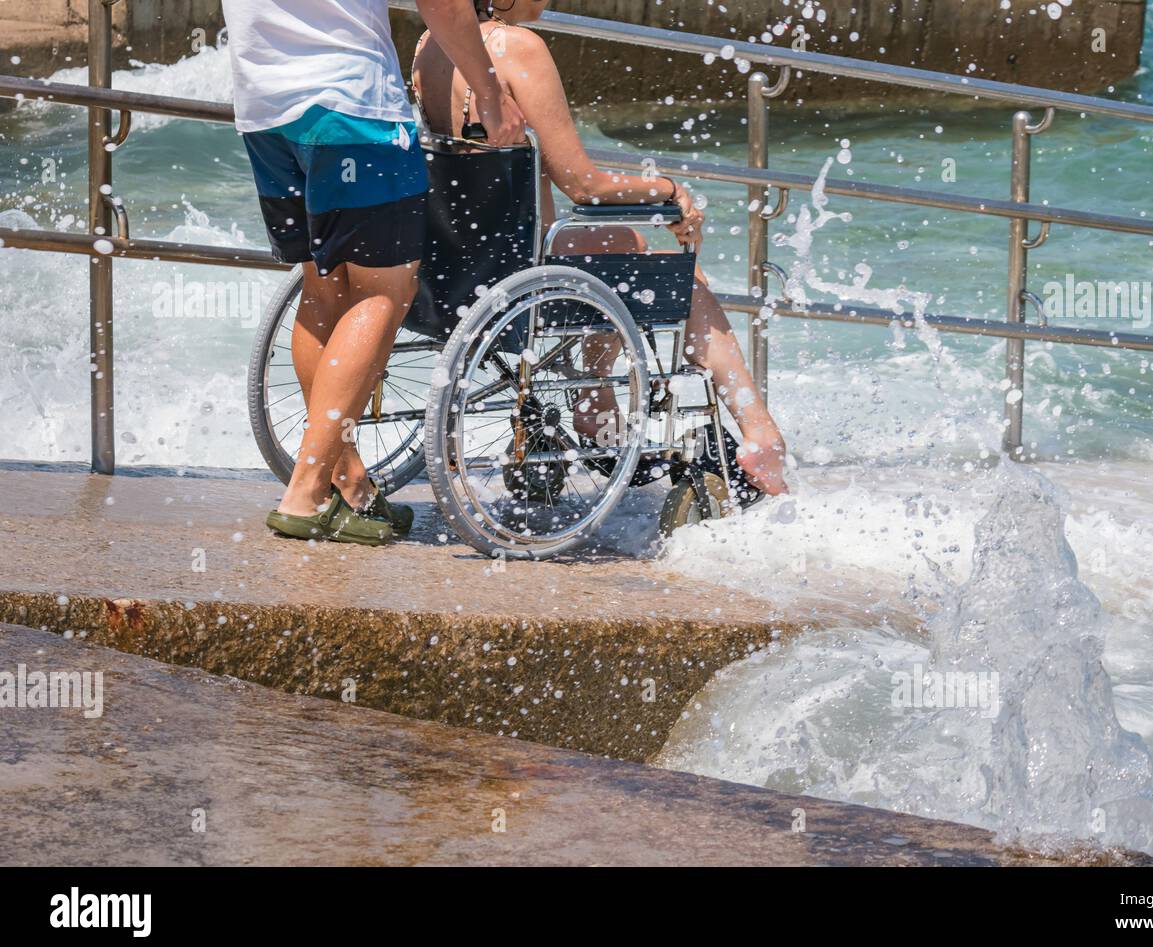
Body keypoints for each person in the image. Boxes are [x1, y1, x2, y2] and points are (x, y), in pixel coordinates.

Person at [411, 0, 789, 495]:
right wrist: (670, 192)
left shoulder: (430, 44)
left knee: (625, 241)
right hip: (523, 274)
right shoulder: (520, 48)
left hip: (454, 262)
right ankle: (759, 431)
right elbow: (584, 186)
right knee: (685, 281)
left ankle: (595, 400)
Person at [224, 0, 525, 545]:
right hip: (351, 104)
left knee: (324, 286)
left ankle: (350, 486)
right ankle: (306, 493)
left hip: (265, 107)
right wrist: (489, 91)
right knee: (382, 293)